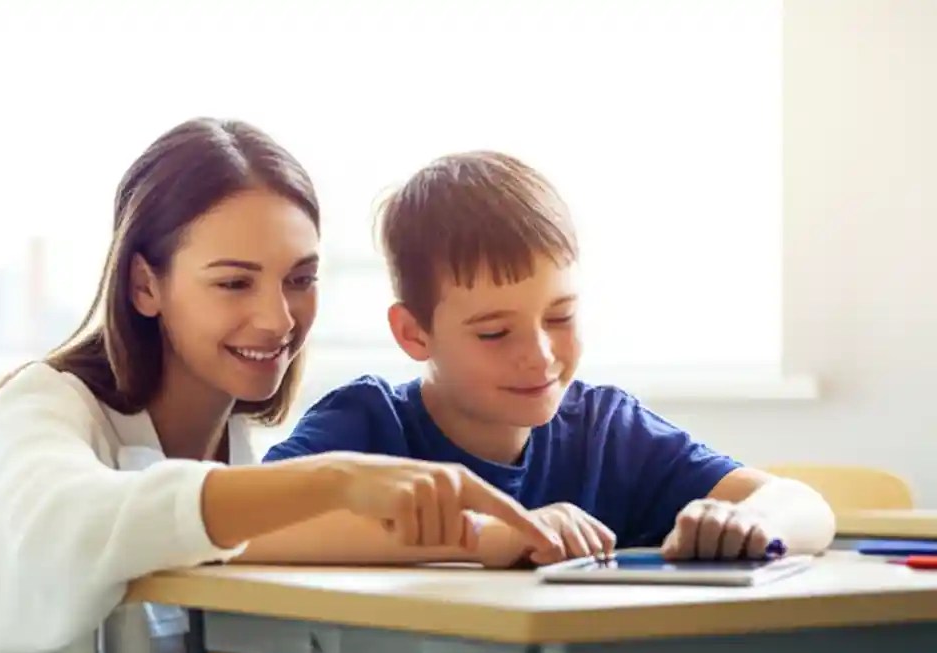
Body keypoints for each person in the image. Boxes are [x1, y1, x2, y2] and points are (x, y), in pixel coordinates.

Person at [0, 120, 560, 653]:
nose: (279, 318)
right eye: (235, 282)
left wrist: (482, 537)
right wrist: (334, 479)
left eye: (300, 278)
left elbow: (295, 543)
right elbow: (66, 519)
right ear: (145, 285)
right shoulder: (45, 406)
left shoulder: (239, 452)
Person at [265, 150, 837, 565]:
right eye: (494, 333)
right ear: (414, 334)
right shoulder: (367, 423)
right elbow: (244, 528)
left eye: (560, 317)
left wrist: (752, 522)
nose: (540, 356)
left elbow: (804, 505)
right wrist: (489, 535)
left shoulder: (607, 433)